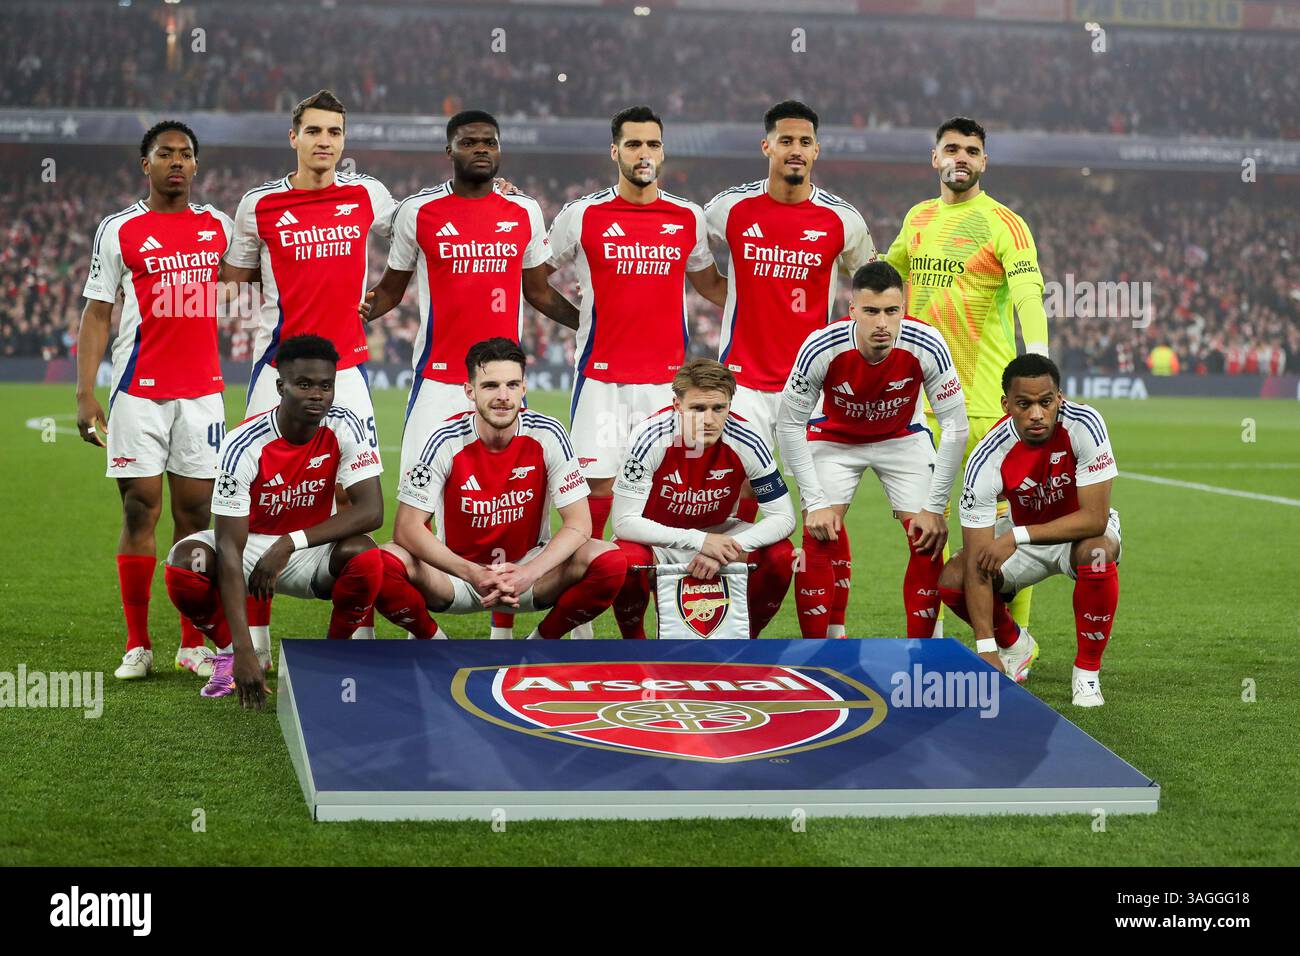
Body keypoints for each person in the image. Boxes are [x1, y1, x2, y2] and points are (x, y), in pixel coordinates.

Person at [359, 108, 579, 641]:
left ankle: (504, 630)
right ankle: (418, 634)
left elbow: (537, 290)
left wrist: (587, 320)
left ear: (499, 149)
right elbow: (391, 288)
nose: (480, 148)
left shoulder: (524, 210)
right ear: (450, 150)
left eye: (489, 141)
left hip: (501, 383)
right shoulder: (420, 211)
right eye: (468, 141)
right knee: (417, 512)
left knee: (519, 507)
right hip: (438, 380)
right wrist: (356, 308)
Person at [163, 334, 441, 708]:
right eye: (304, 385)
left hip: (306, 548)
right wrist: (245, 648)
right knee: (185, 562)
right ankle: (229, 655)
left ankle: (332, 658)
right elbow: (229, 547)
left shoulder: (344, 426)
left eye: (326, 386)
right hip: (249, 547)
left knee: (366, 555)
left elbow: (371, 511)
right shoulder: (242, 444)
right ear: (281, 387)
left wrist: (290, 542)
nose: (317, 395)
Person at [221, 89, 396, 654]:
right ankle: (258, 638)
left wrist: (495, 192)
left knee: (356, 497)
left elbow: (424, 225)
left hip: (348, 371)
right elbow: (232, 283)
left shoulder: (369, 195)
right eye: (315, 131)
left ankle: (357, 635)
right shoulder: (258, 205)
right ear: (293, 136)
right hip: (277, 369)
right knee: (262, 501)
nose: (325, 142)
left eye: (335, 133)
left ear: (344, 141)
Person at [703, 100, 877, 632]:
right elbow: (698, 268)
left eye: (805, 142)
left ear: (816, 150)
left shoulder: (843, 220)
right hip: (742, 385)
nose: (795, 150)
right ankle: (729, 626)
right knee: (734, 500)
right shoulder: (725, 209)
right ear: (768, 147)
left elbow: (872, 286)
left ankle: (830, 635)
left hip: (812, 387)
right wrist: (743, 302)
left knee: (823, 509)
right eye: (786, 140)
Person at [76, 120, 234, 680]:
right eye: (164, 153)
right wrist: (85, 391)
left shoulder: (221, 226)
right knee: (140, 508)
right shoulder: (119, 229)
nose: (175, 161)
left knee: (195, 516)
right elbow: (98, 311)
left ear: (196, 166)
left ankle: (191, 643)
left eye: (185, 154)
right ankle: (137, 644)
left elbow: (265, 266)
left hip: (202, 398)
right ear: (145, 164)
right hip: (138, 392)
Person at [884, 116, 1050, 635]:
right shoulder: (918, 218)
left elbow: (1028, 291)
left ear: (983, 161)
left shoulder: (1004, 222)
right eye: (951, 148)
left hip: (986, 404)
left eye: (971, 151)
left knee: (1001, 534)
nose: (961, 157)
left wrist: (1038, 357)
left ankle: (1013, 643)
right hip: (922, 405)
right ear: (935, 157)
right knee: (924, 528)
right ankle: (930, 635)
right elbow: (888, 274)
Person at [541, 105, 727, 548]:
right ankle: (584, 605)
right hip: (601, 379)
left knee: (658, 493)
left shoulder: (688, 217)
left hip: (666, 384)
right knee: (596, 490)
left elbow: (710, 285)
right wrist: (579, 319)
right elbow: (534, 277)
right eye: (633, 144)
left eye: (653, 144)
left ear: (663, 152)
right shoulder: (583, 214)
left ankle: (650, 603)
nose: (644, 153)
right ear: (615, 151)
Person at [777, 262, 969, 638]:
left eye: (891, 311)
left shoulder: (927, 343)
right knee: (818, 532)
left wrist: (934, 507)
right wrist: (814, 501)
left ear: (903, 309)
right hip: (835, 438)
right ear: (852, 311)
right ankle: (821, 652)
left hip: (901, 437)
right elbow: (788, 424)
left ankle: (921, 655)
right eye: (871, 311)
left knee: (927, 535)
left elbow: (956, 426)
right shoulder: (821, 346)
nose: (882, 323)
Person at [387, 338, 626, 639]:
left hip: (529, 573)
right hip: (458, 576)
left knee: (610, 559)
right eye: (490, 386)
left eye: (512, 385)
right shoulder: (443, 439)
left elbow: (579, 524)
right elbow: (407, 528)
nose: (503, 396)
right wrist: (472, 572)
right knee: (383, 562)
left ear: (524, 388)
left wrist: (530, 571)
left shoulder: (548, 433)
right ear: (469, 391)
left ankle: (542, 641)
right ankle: (434, 641)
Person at [940, 354, 1121, 706]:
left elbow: (1095, 518)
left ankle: (1086, 673)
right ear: (1006, 405)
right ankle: (1013, 644)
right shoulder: (986, 457)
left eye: (1046, 402)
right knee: (954, 577)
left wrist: (1014, 536)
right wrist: (986, 647)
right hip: (1025, 533)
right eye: (1024, 404)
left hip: (1077, 533)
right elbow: (978, 557)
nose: (1037, 413)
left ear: (1060, 398)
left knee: (1097, 553)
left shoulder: (1085, 424)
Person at [611, 359, 796, 639]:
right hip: (659, 539)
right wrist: (699, 542)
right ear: (677, 405)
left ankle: (749, 640)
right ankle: (634, 642)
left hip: (720, 533)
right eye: (697, 409)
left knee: (782, 555)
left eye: (718, 408)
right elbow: (624, 523)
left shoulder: (749, 439)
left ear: (729, 406)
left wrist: (728, 548)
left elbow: (784, 517)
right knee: (623, 560)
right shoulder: (650, 436)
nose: (709, 420)